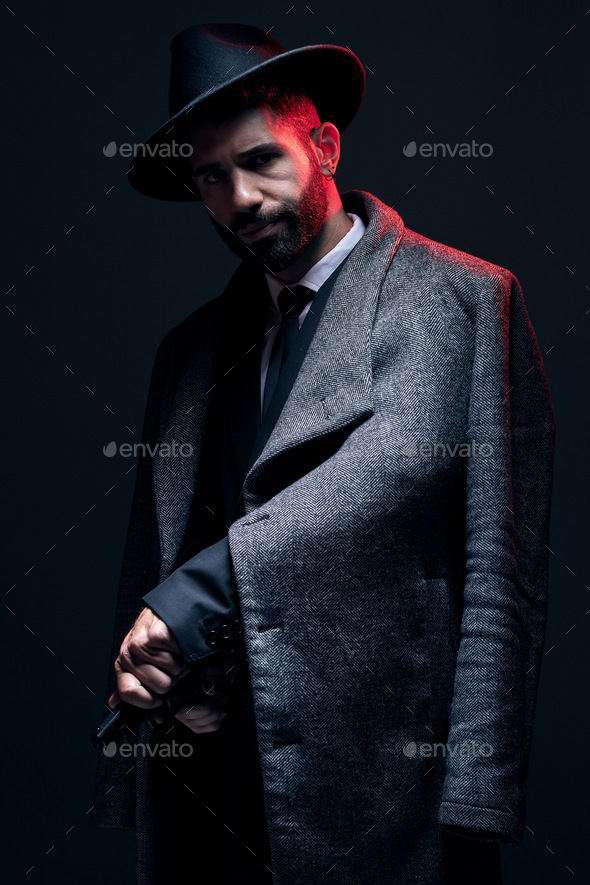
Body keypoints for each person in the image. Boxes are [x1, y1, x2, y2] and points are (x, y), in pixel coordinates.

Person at [91, 22, 556, 885]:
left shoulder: (461, 297)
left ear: (325, 144)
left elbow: (499, 575)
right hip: (208, 800)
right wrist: (160, 697)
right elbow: (151, 557)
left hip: (385, 808)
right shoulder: (185, 351)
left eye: (261, 160)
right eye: (211, 178)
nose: (240, 198)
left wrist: (475, 802)